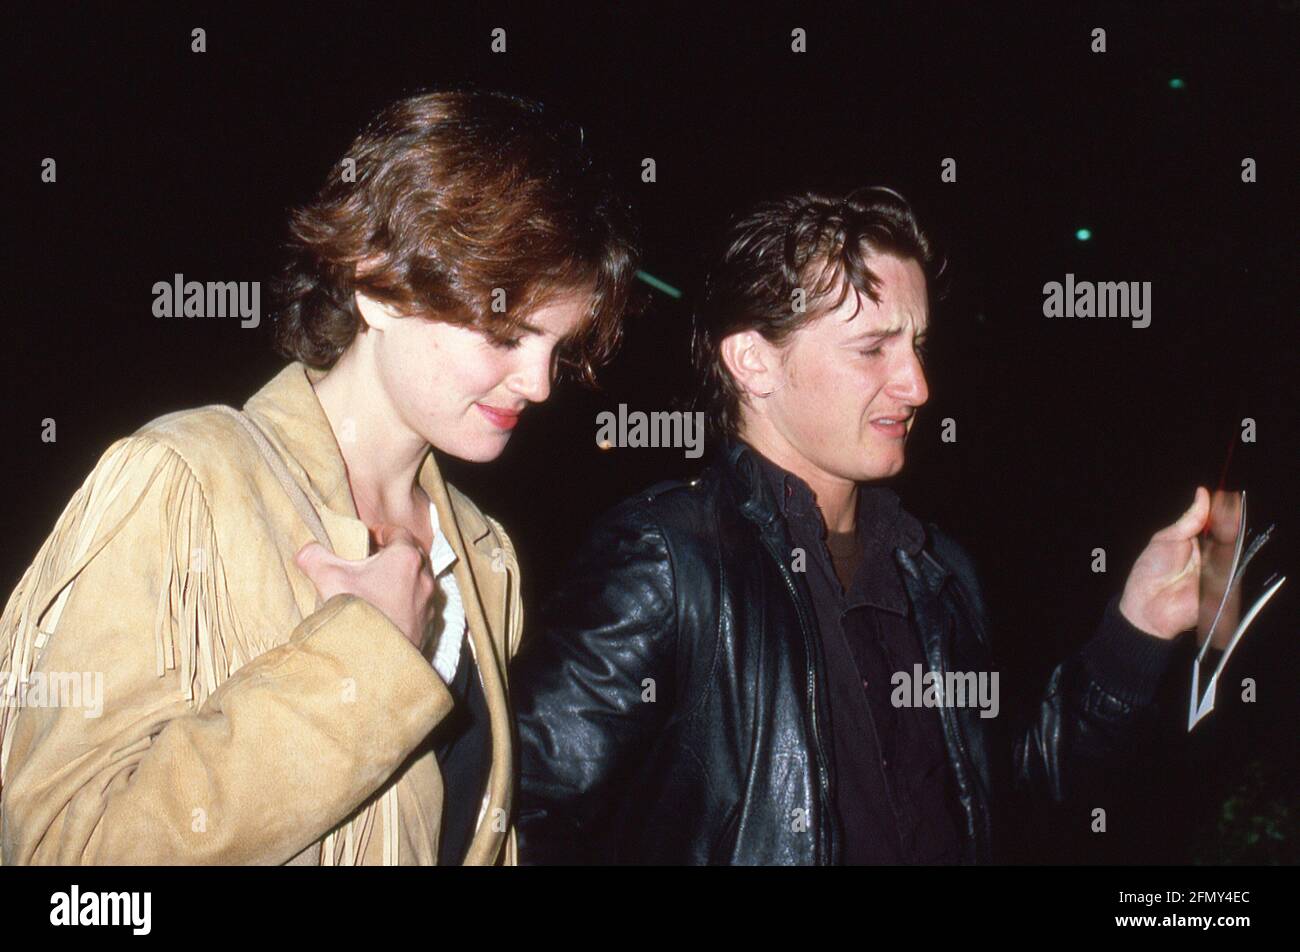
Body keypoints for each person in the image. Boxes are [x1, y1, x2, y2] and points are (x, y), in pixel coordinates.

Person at [0, 87, 638, 865]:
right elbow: (66, 862)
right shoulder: (183, 480)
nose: (540, 383)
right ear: (377, 285)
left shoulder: (483, 555)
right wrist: (357, 663)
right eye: (506, 333)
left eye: (558, 348)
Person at [512, 186, 1208, 864]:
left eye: (918, 344)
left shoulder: (934, 570)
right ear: (753, 361)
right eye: (873, 348)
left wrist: (1134, 630)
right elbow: (518, 817)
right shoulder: (670, 559)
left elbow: (1009, 795)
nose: (918, 384)